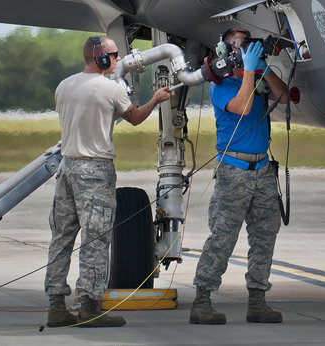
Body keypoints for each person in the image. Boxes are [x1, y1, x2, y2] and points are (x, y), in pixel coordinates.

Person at [45, 34, 171, 328]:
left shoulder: (63, 86)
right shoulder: (111, 89)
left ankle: (56, 305)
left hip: (67, 167)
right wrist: (156, 98)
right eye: (114, 55)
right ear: (102, 58)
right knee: (96, 238)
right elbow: (136, 118)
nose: (117, 60)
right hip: (94, 170)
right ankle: (89, 306)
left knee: (62, 238)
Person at [190, 28, 289, 325]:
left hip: (262, 170)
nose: (243, 48)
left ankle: (258, 299)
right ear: (224, 49)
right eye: (237, 44)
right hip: (234, 171)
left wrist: (263, 69)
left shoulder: (255, 77)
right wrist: (248, 70)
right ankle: (202, 299)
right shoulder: (220, 86)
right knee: (222, 236)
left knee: (264, 236)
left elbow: (283, 97)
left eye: (246, 43)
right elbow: (243, 107)